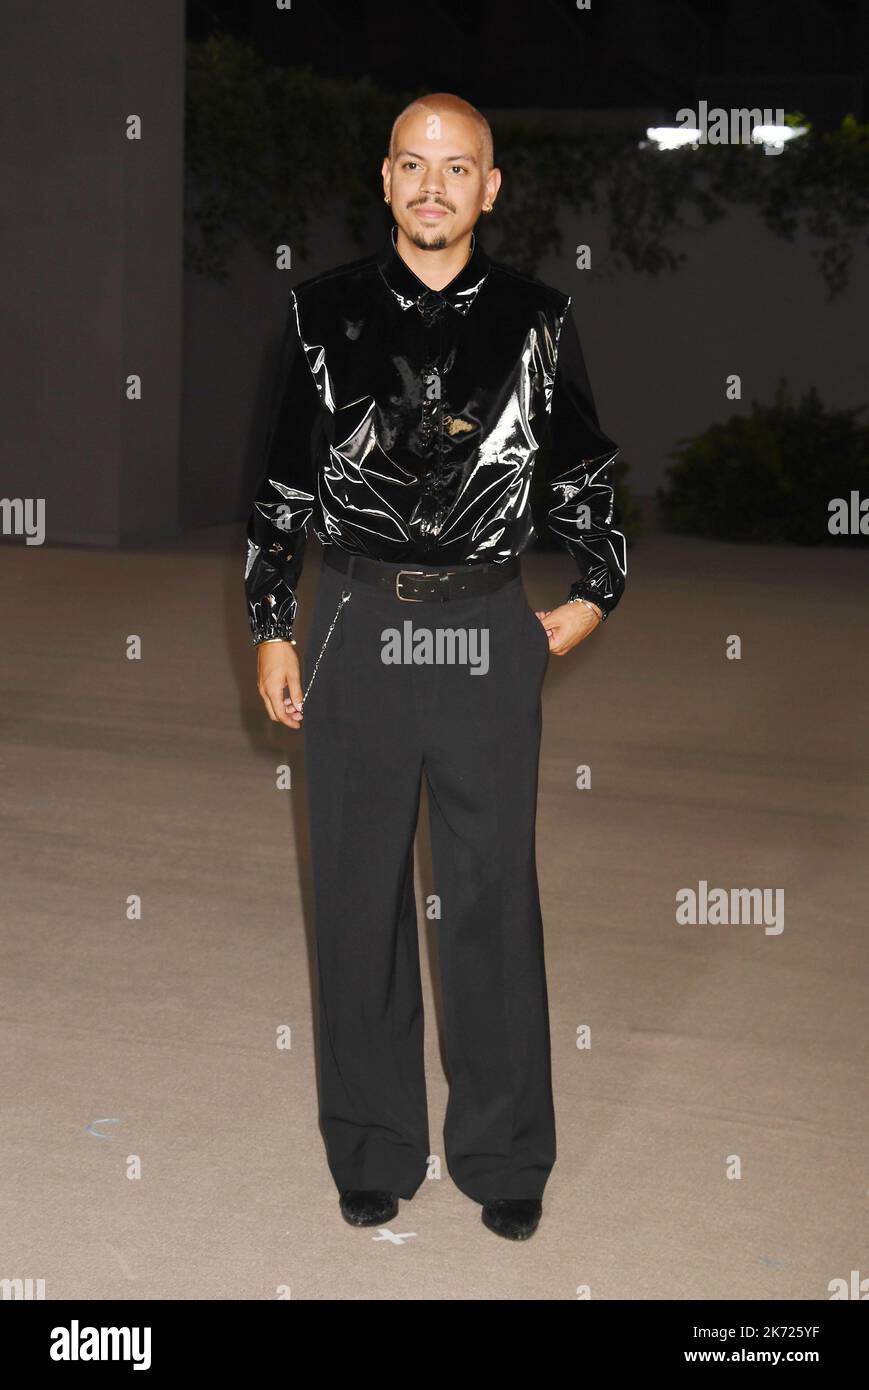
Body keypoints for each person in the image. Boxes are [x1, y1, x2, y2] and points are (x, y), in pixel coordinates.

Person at [244, 92, 626, 1241]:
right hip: (357, 622)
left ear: (488, 187)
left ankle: (504, 1154)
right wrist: (272, 619)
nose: (430, 185)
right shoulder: (320, 315)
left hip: (480, 631)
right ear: (385, 178)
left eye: (455, 168)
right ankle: (372, 1146)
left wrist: (589, 594)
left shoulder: (538, 319)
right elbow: (281, 486)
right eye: (411, 165)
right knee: (356, 896)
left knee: (490, 899)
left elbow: (583, 474)